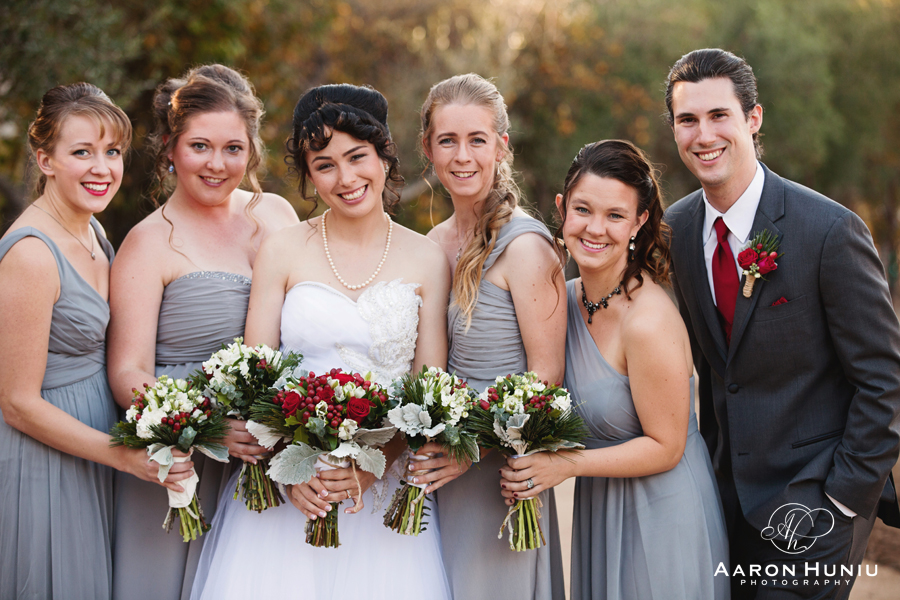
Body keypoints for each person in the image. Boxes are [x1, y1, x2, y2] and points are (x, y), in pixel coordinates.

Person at [190, 83, 452, 599]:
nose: (346, 178)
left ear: (384, 157)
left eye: (358, 157)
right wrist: (291, 471)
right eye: (325, 164)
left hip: (381, 495)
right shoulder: (282, 250)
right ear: (309, 175)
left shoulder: (427, 259)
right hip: (288, 488)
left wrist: (369, 473)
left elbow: (428, 391)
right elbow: (255, 377)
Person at [663, 48, 900, 599]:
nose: (704, 135)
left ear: (753, 118)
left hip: (814, 505)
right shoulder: (675, 230)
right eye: (687, 120)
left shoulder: (829, 232)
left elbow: (884, 379)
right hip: (723, 504)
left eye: (719, 115)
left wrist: (843, 498)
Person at [501, 139, 730, 599]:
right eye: (583, 210)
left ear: (639, 221)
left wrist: (562, 465)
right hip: (599, 510)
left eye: (615, 215)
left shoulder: (648, 321)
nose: (595, 229)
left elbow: (667, 447)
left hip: (660, 516)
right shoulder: (559, 300)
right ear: (562, 208)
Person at [106, 64, 299, 600]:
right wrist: (206, 427)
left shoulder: (278, 216)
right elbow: (127, 370)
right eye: (200, 147)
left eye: (233, 148)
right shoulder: (148, 243)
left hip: (273, 456)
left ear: (251, 150)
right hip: (183, 463)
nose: (217, 164)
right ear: (169, 148)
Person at [0, 83, 194, 600]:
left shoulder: (94, 235)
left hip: (93, 448)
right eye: (81, 152)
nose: (101, 168)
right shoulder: (31, 255)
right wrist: (123, 456)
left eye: (111, 152)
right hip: (46, 458)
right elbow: (17, 403)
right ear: (45, 159)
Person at [414, 73, 567, 600]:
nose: (462, 156)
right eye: (447, 141)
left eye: (477, 139)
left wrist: (469, 450)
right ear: (428, 151)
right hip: (437, 473)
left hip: (497, 475)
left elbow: (546, 376)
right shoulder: (432, 245)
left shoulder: (526, 247)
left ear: (501, 146)